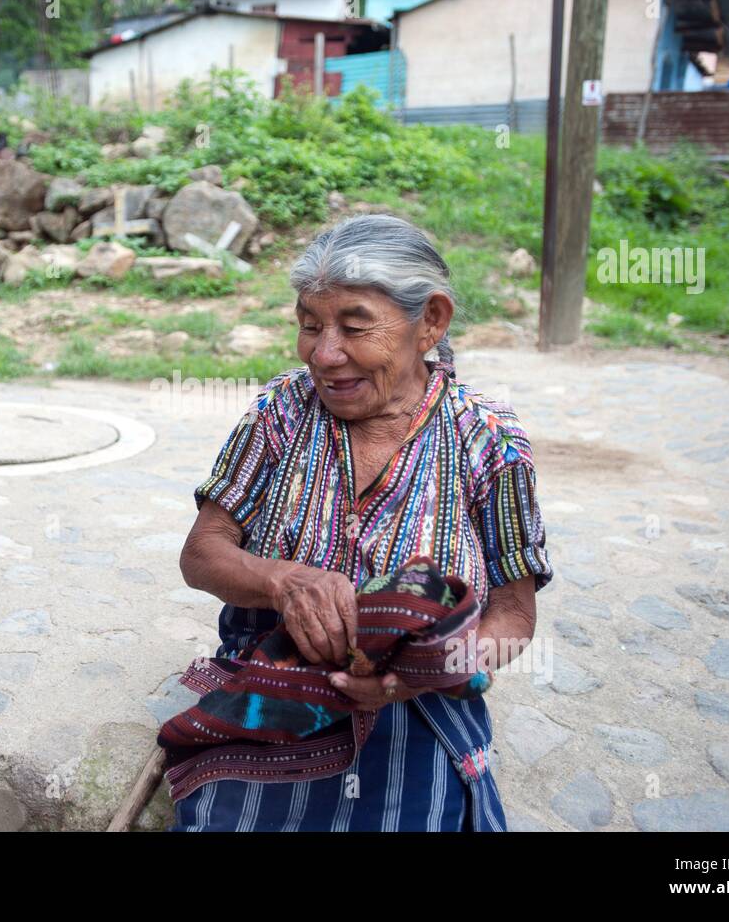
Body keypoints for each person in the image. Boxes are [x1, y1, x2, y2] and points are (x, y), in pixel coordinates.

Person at [169, 214, 553, 831]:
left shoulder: (489, 441)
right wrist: (283, 581)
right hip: (273, 677)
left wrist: (425, 671)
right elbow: (202, 552)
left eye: (354, 327)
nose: (324, 354)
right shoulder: (280, 413)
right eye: (309, 326)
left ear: (430, 322)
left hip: (417, 701)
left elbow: (513, 616)